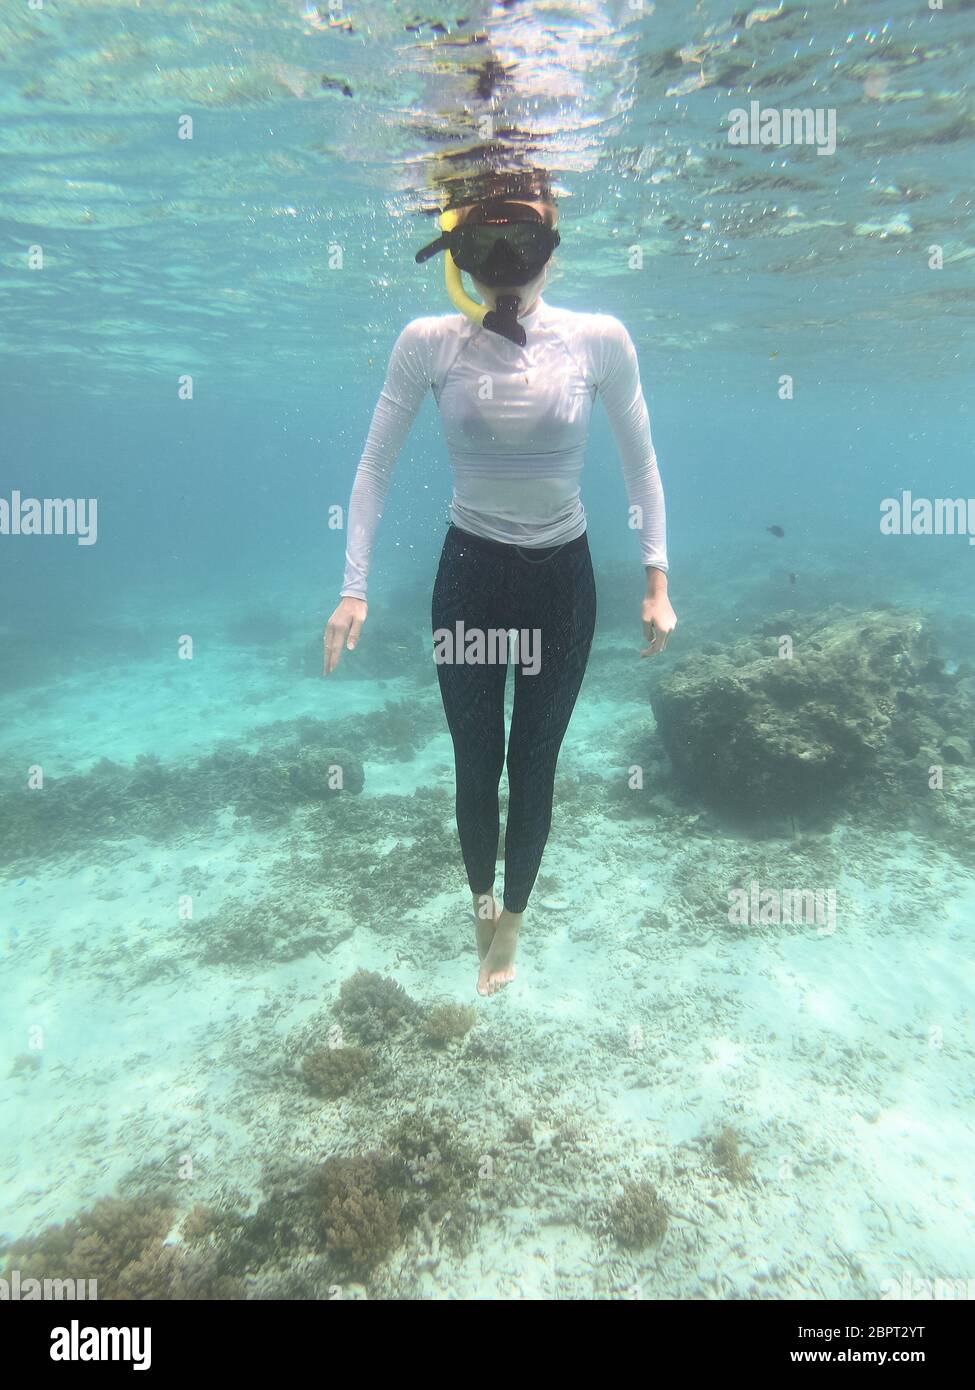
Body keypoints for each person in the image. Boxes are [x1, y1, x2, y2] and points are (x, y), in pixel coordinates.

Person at [325, 186, 676, 996]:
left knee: (535, 760)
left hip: (562, 581)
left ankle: (512, 920)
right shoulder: (428, 342)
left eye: (521, 246)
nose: (504, 273)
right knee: (475, 760)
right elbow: (375, 464)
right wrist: (353, 587)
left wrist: (657, 578)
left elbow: (640, 463)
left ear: (552, 244)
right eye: (484, 252)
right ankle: (481, 900)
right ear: (456, 257)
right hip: (469, 580)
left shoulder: (599, 340)